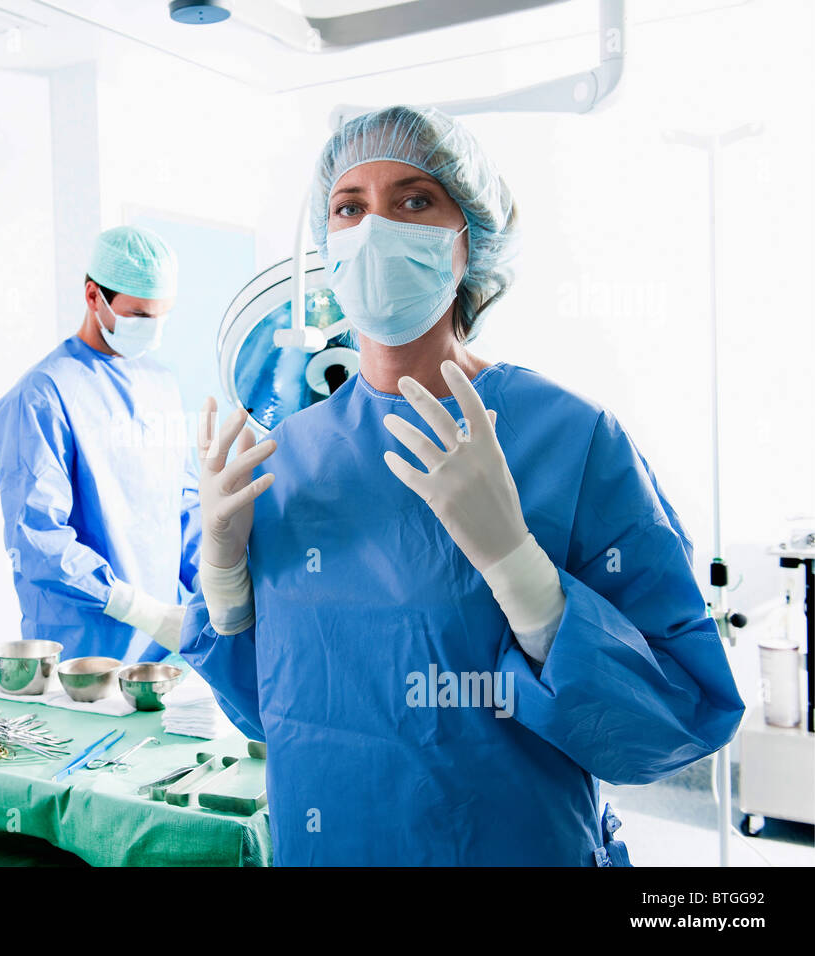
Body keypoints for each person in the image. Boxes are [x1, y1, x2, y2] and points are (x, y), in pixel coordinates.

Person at [182, 106, 746, 866]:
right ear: (326, 245)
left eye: (414, 201)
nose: (375, 231)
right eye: (350, 208)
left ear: (467, 239)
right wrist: (223, 581)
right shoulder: (287, 455)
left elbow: (671, 722)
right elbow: (272, 711)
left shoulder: (570, 439)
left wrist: (525, 576)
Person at [0, 226, 201, 663]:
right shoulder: (43, 394)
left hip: (165, 650)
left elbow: (182, 505)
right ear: (93, 296)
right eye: (141, 316)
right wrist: (140, 609)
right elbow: (38, 541)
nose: (154, 330)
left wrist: (216, 588)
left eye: (163, 316)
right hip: (83, 654)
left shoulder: (161, 384)